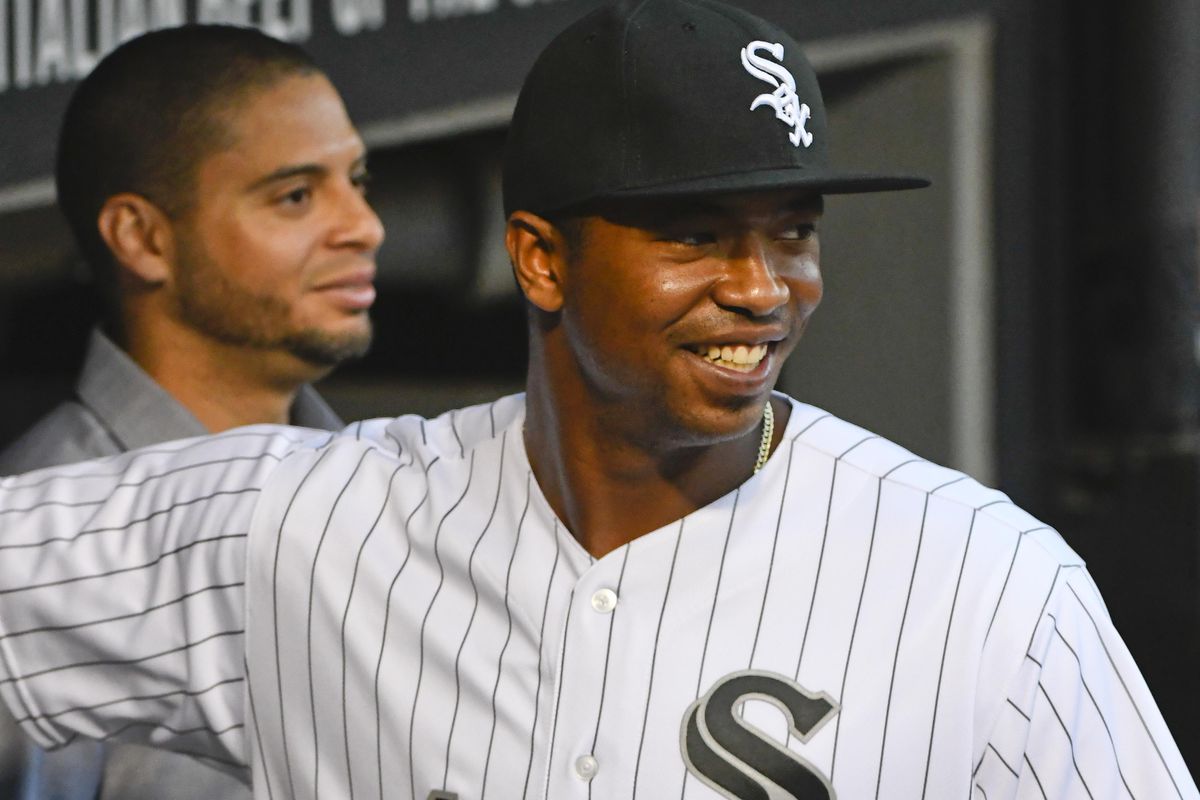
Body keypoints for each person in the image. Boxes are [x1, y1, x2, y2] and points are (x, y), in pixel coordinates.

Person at [0, 0, 1196, 798]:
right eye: (696, 233)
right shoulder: (296, 527)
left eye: (792, 232)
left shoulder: (987, 580)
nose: (761, 287)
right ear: (541, 260)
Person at [0, 24, 382, 800]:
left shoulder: (383, 492)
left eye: (359, 181)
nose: (364, 226)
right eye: (297, 195)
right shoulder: (42, 559)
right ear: (142, 239)